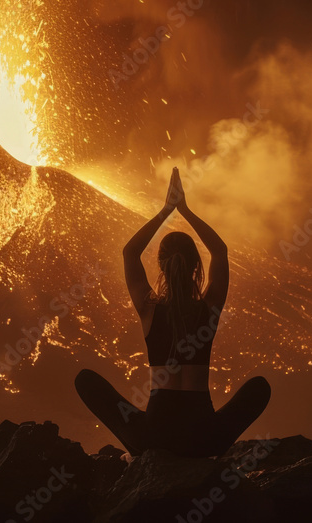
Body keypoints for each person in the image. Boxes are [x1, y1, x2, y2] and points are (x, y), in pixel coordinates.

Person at [74, 167, 271, 459]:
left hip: (155, 436)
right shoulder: (210, 307)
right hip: (203, 438)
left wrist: (167, 209)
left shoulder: (149, 309)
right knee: (259, 388)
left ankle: (141, 451)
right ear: (195, 266)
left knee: (85, 380)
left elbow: (130, 252)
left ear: (161, 266)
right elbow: (220, 251)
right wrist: (185, 210)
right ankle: (208, 452)